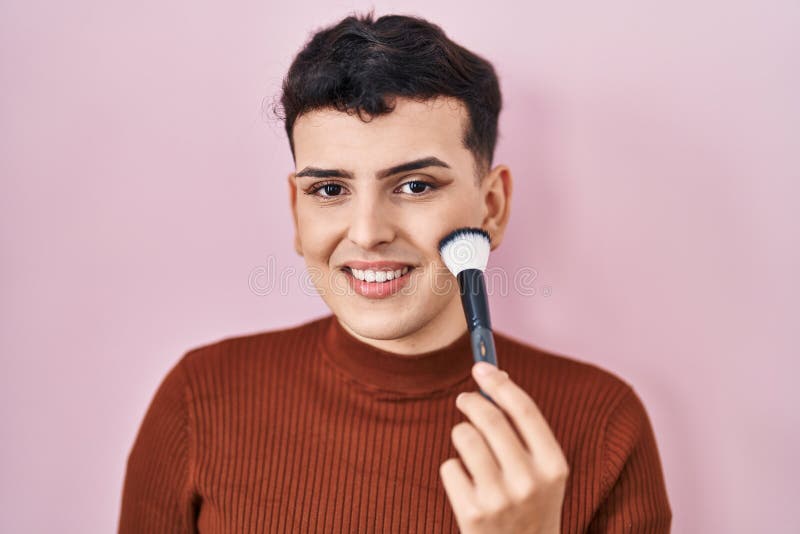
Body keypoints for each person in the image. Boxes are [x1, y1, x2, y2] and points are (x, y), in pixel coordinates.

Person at [118, 11, 671, 533]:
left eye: (415, 186)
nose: (367, 232)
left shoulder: (604, 425)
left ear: (494, 207)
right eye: (329, 190)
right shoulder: (200, 399)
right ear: (296, 210)